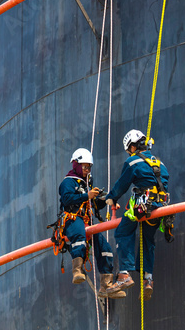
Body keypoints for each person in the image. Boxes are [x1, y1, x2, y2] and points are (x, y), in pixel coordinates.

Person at [102, 129, 172, 300]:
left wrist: (111, 198)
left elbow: (122, 184)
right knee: (148, 240)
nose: (129, 153)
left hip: (143, 206)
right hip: (160, 208)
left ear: (132, 147)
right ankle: (148, 279)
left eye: (129, 150)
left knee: (123, 231)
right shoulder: (161, 164)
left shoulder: (133, 162)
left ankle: (124, 274)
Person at [51, 148, 121, 297]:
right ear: (76, 165)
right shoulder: (68, 182)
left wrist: (106, 200)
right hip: (72, 219)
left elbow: (94, 204)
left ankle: (106, 285)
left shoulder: (86, 184)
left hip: (86, 223)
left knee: (105, 247)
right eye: (85, 166)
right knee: (78, 236)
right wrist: (86, 196)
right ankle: (77, 269)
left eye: (89, 167)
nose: (87, 170)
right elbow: (67, 199)